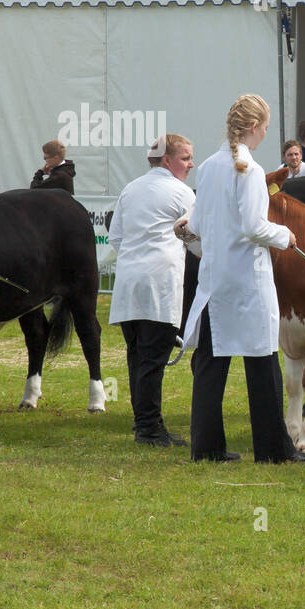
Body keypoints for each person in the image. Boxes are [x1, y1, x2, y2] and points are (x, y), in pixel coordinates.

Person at [181, 93, 305, 464]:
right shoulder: (251, 172)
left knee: (210, 362)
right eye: (266, 129)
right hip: (247, 279)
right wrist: (284, 235)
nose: (265, 136)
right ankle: (273, 451)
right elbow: (255, 227)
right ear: (254, 127)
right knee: (261, 363)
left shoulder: (207, 167)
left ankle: (206, 447)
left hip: (215, 277)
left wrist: (188, 228)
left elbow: (199, 222)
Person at [108, 133, 196, 447]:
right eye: (185, 158)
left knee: (138, 357)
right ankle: (148, 428)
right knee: (151, 360)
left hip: (129, 283)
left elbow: (115, 236)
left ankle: (146, 422)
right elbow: (197, 237)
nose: (190, 164)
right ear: (168, 159)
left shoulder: (130, 189)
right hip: (159, 283)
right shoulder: (183, 193)